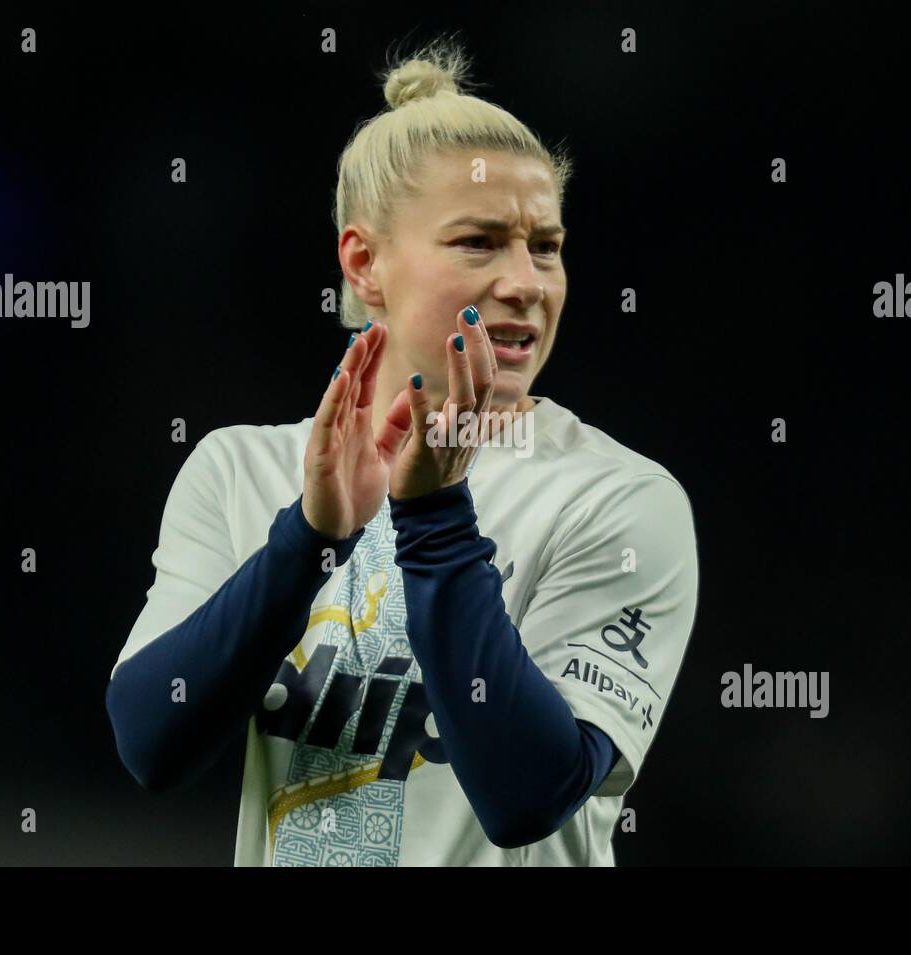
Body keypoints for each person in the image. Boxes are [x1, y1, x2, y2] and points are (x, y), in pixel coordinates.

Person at [105, 36, 699, 866]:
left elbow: (528, 793)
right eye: (479, 242)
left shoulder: (617, 499)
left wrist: (433, 520)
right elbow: (149, 741)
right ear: (365, 261)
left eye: (547, 246)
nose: (527, 281)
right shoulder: (239, 470)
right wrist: (306, 541)